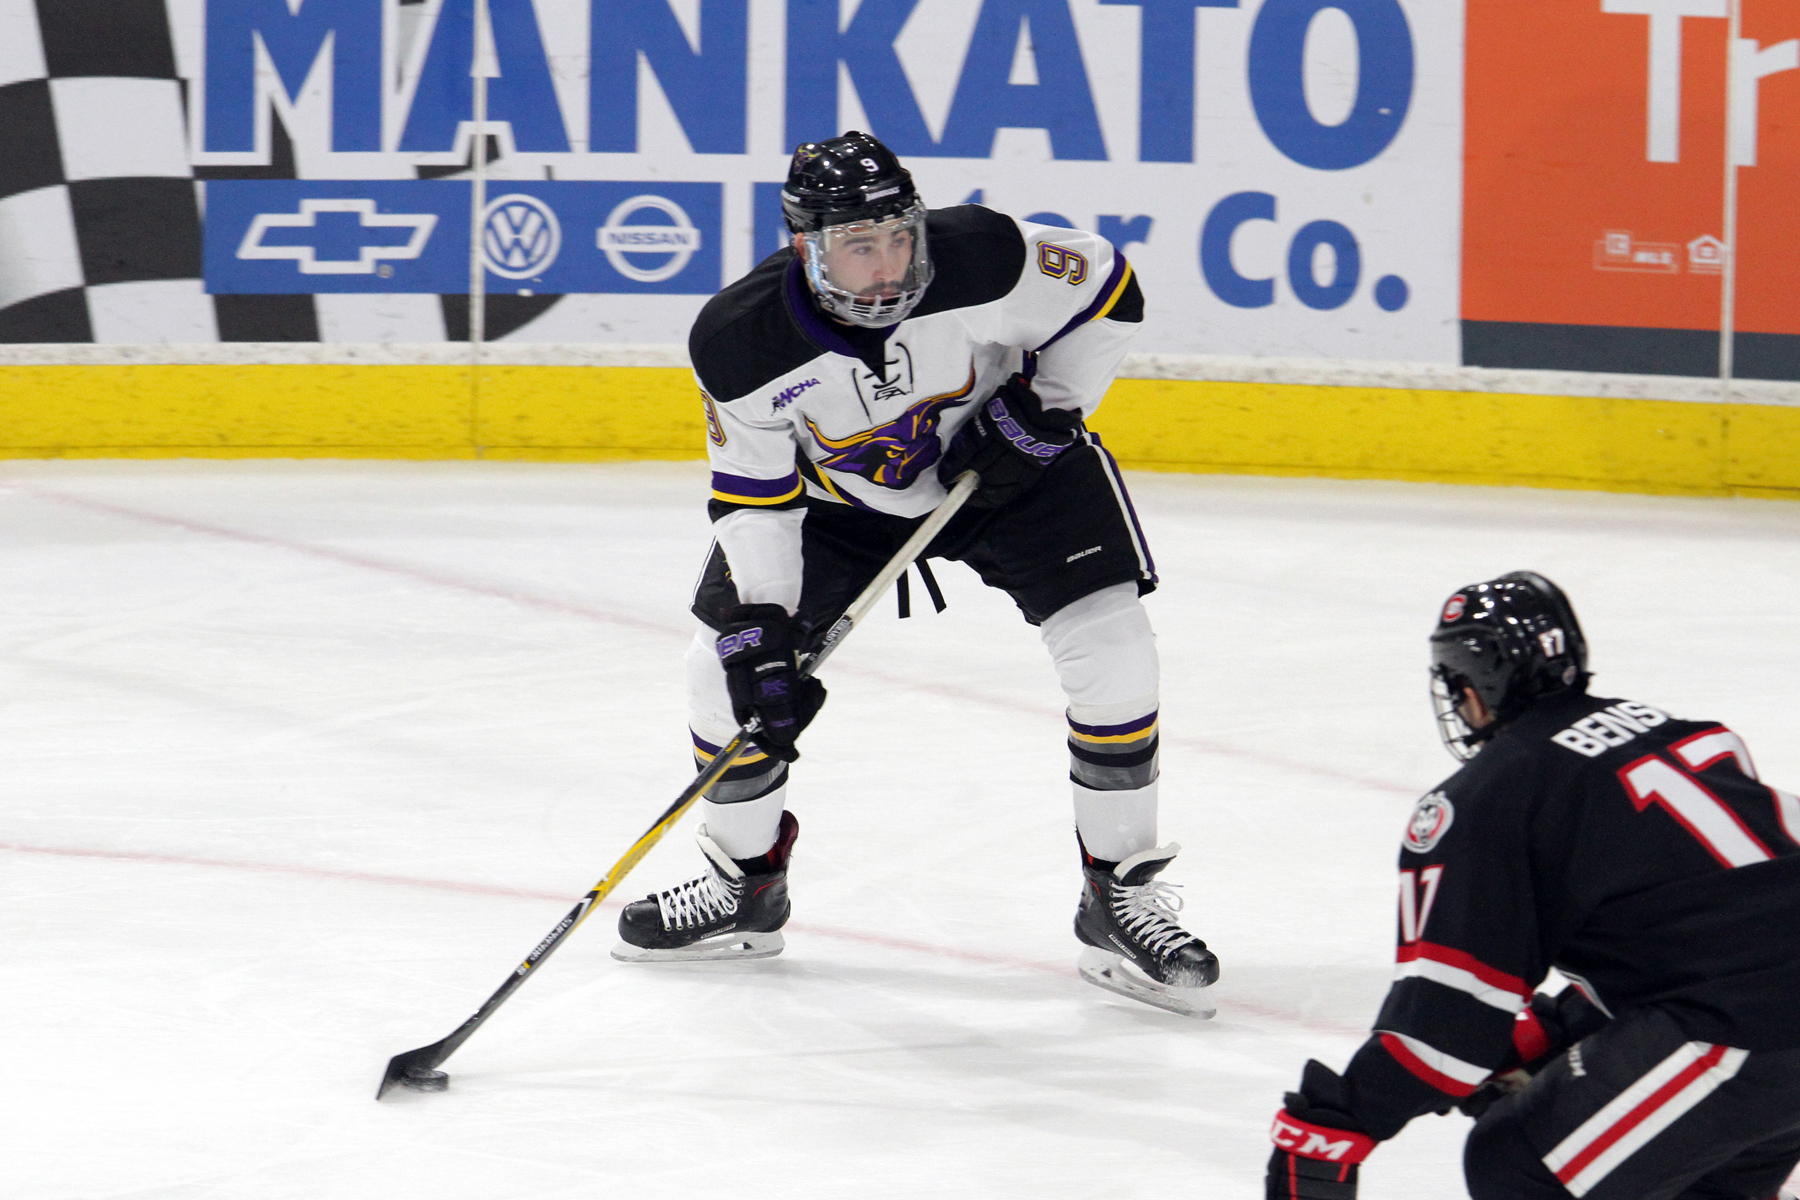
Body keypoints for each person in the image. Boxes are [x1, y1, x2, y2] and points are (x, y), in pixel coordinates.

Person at [608, 130, 1219, 1018]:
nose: (890, 267)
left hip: (1012, 469)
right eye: (859, 246)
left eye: (899, 235)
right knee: (720, 674)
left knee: (1115, 648)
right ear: (806, 249)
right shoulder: (742, 342)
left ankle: (1115, 894)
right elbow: (753, 495)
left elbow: (1109, 288)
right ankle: (745, 886)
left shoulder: (984, 254)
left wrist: (1045, 413)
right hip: (840, 506)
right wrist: (767, 636)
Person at [1265, 571, 1800, 1200]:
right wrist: (1552, 1027)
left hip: (1744, 1030)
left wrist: (1341, 1117)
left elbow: (1445, 1027)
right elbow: (1712, 927)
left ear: (1477, 682)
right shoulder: (1688, 736)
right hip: (1761, 1022)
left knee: (1517, 1158)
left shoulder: (1491, 797)